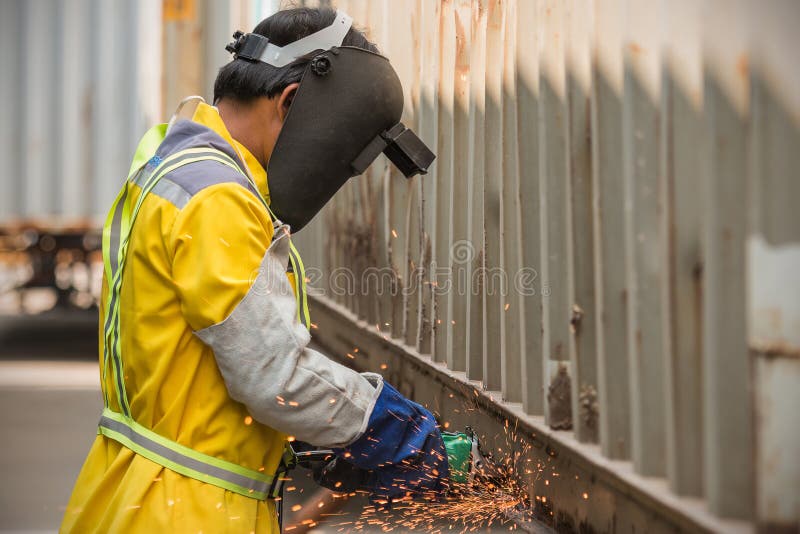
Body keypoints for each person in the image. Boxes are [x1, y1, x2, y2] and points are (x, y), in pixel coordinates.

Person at [61, 7, 446, 533]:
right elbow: (273, 375)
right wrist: (386, 425)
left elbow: (198, 362)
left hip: (133, 491)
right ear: (290, 102)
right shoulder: (221, 197)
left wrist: (311, 429)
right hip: (190, 513)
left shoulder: (173, 164)